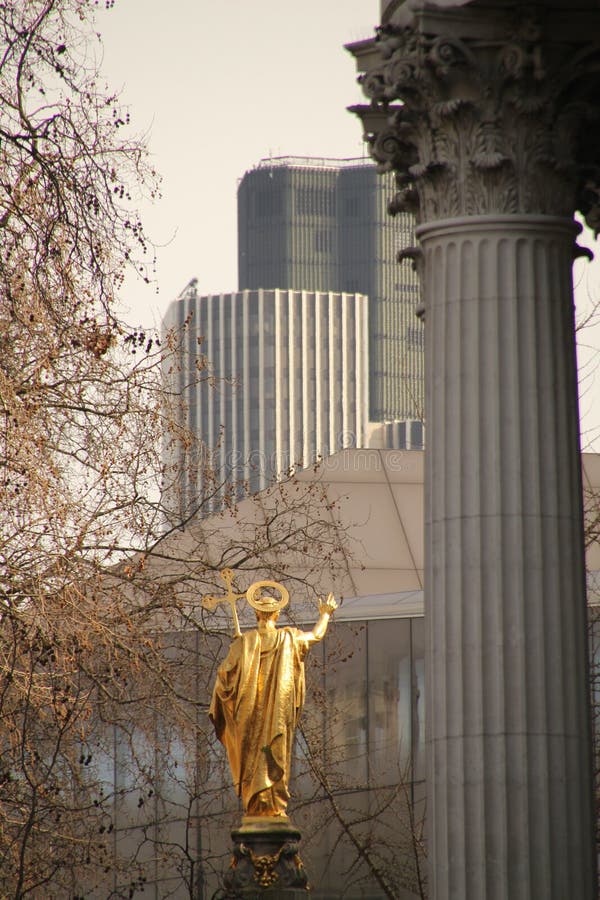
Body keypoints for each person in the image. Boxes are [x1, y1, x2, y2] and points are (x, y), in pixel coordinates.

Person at [209, 579, 337, 818]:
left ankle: (256, 804)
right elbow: (316, 635)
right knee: (274, 754)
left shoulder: (244, 643)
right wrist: (325, 614)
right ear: (277, 613)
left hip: (248, 716)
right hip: (277, 716)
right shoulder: (289, 638)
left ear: (256, 613)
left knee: (253, 755)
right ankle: (272, 805)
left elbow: (223, 677)